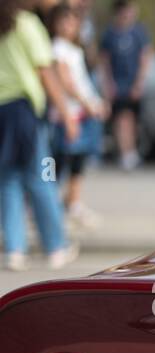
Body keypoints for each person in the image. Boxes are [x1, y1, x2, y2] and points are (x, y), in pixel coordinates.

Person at [0, 0, 79, 271]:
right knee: (40, 177)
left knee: (8, 180)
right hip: (23, 110)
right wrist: (67, 115)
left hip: (1, 109)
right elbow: (45, 72)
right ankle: (56, 245)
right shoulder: (26, 24)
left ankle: (14, 249)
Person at [47, 2, 103, 226]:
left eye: (72, 21)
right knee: (59, 161)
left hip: (80, 114)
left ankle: (73, 202)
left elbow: (83, 81)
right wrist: (87, 103)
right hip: (66, 116)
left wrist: (95, 102)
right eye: (63, 21)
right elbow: (66, 83)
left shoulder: (74, 49)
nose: (68, 26)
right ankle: (48, 206)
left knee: (77, 161)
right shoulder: (57, 48)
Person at [98, 0, 150, 170]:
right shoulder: (110, 34)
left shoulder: (139, 32)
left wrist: (139, 83)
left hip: (133, 83)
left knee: (132, 120)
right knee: (122, 119)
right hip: (117, 85)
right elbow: (104, 61)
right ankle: (126, 154)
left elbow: (145, 58)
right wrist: (107, 83)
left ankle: (130, 151)